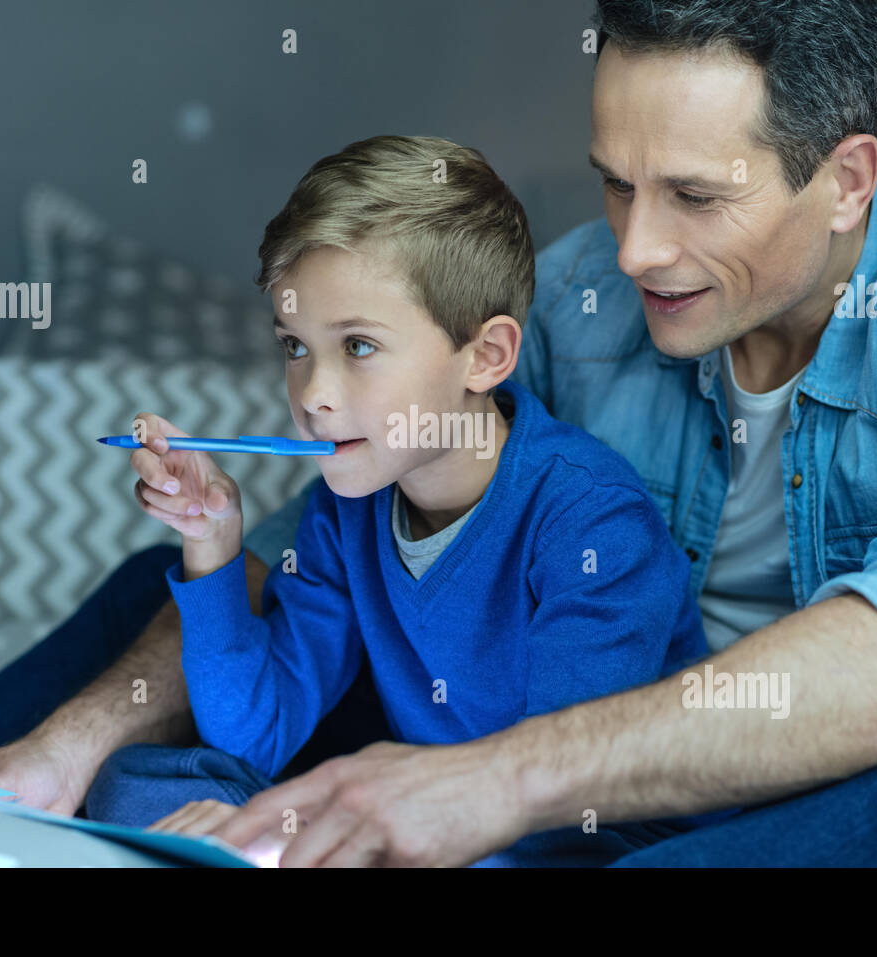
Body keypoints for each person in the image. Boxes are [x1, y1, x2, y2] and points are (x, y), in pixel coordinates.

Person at [0, 0, 877, 867]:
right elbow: (318, 552)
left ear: (848, 180)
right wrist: (72, 740)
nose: (635, 245)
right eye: (614, 181)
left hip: (834, 804)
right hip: (539, 754)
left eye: (695, 197)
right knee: (187, 589)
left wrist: (482, 785)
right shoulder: (586, 294)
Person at [79, 134, 713, 866]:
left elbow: (563, 806)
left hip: (584, 839)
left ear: (486, 356)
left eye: (357, 346)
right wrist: (212, 540)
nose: (313, 396)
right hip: (429, 822)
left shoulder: (593, 521)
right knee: (133, 784)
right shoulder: (345, 511)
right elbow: (257, 734)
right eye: (295, 346)